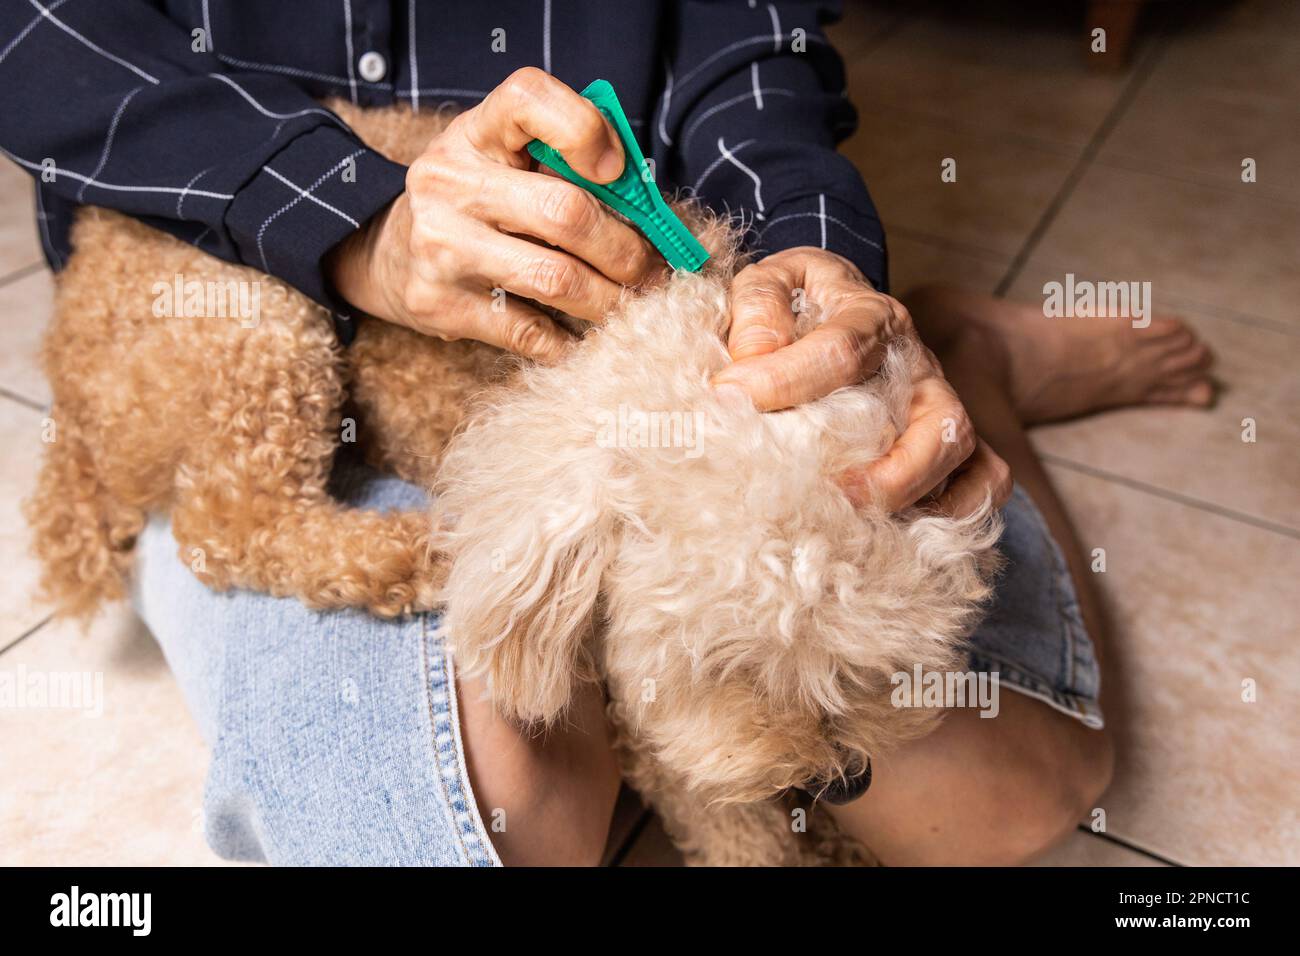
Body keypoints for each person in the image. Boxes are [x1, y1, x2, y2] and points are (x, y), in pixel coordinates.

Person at [2, 1, 1213, 865]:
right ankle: (279, 529)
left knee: (1002, 806)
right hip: (200, 255)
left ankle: (968, 354)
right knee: (492, 813)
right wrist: (342, 218)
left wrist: (816, 257)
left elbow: (756, 42)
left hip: (624, 294)